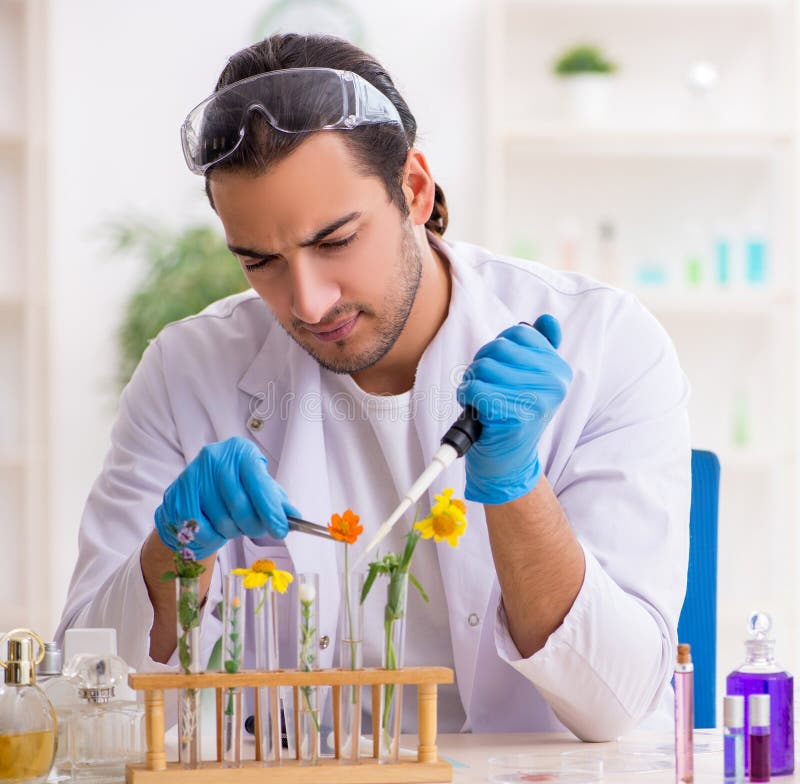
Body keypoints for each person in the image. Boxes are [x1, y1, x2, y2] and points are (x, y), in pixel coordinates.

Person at [56, 33, 690, 741]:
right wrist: (174, 553)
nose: (309, 302)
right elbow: (86, 701)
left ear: (414, 190)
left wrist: (517, 483)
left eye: (335, 242)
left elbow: (621, 704)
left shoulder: (606, 343)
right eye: (260, 261)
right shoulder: (187, 372)